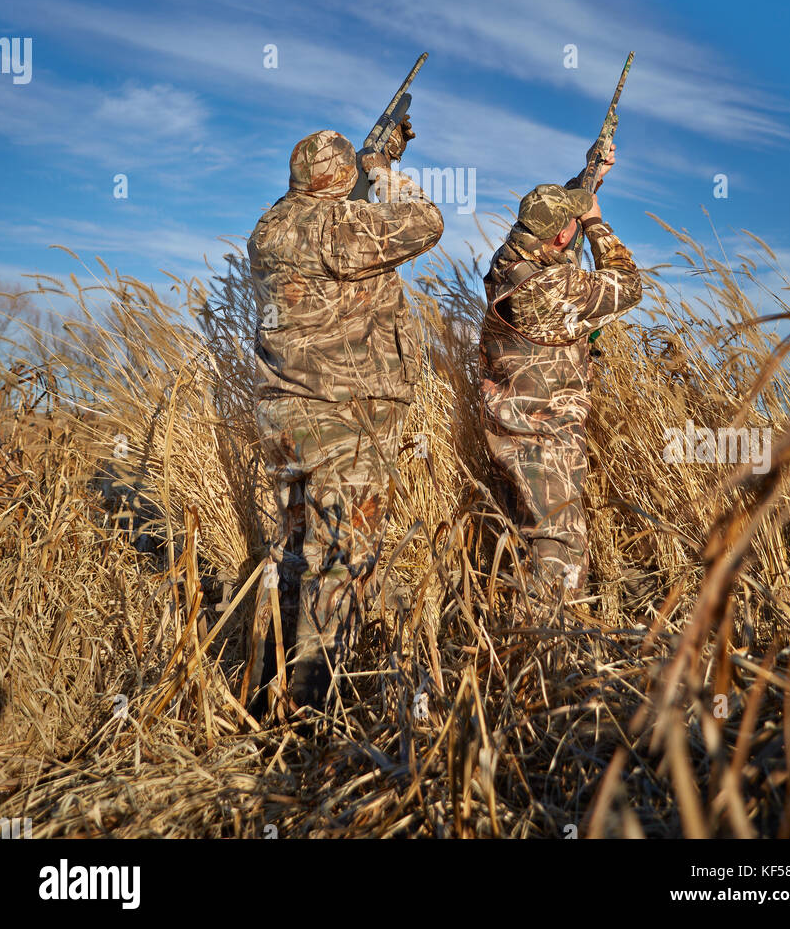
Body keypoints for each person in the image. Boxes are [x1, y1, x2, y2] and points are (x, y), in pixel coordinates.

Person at [245, 119, 443, 712]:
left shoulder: (270, 226)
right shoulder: (341, 225)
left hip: (284, 415)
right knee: (342, 559)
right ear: (343, 179)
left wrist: (368, 160)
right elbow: (427, 221)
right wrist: (384, 173)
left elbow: (322, 215)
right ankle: (310, 709)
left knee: (293, 551)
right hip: (345, 420)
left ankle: (264, 696)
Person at [478, 145, 642, 596]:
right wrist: (595, 222)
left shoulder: (511, 259)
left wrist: (591, 175)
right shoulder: (551, 287)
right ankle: (549, 654)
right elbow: (627, 285)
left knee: (521, 547)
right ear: (562, 238)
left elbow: (555, 224)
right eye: (571, 227)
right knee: (557, 554)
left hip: (509, 431)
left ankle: (510, 640)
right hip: (547, 443)